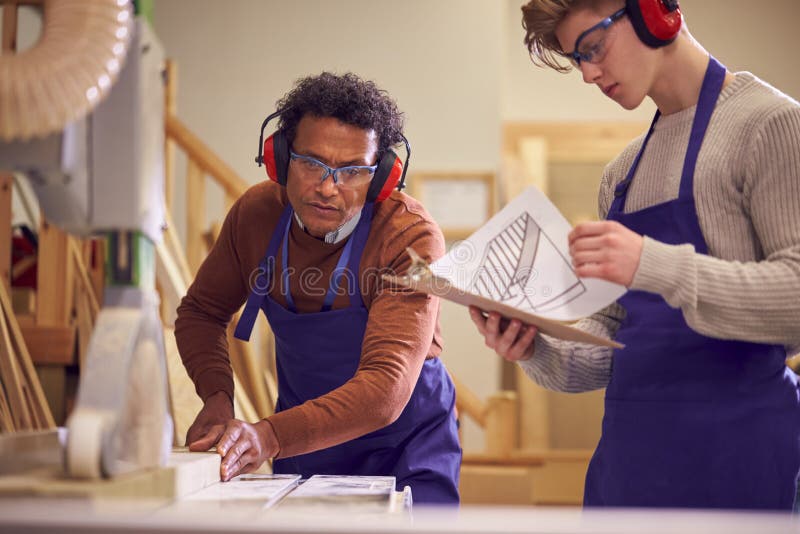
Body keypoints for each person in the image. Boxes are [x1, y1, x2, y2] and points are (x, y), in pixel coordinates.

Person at [470, 0, 800, 510]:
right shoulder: (621, 174)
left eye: (592, 48)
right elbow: (614, 341)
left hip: (739, 458)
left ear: (655, 13)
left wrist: (654, 263)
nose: (586, 73)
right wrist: (535, 348)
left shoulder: (769, 124)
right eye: (576, 59)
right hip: (630, 464)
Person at [176, 72, 461, 504]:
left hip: (407, 441)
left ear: (383, 176)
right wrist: (217, 396)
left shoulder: (409, 237)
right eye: (312, 163)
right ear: (281, 157)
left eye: (353, 171)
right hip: (304, 441)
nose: (329, 187)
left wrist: (270, 435)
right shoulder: (255, 215)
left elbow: (385, 389)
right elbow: (201, 312)